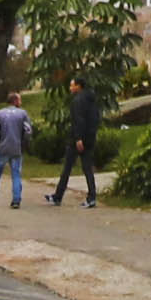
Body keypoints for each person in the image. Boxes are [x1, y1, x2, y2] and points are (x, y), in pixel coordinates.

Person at [48, 79, 104, 207]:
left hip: (78, 140)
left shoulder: (78, 101)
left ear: (78, 86)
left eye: (72, 85)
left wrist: (78, 138)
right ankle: (91, 196)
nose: (70, 88)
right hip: (90, 137)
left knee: (68, 167)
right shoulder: (92, 100)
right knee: (87, 168)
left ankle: (59, 196)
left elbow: (79, 120)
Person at [0, 92, 31, 207]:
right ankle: (16, 200)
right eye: (19, 100)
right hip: (16, 148)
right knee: (16, 174)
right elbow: (28, 131)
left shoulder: (0, 114)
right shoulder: (22, 114)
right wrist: (24, 144)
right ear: (15, 101)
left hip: (2, 148)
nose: (21, 102)